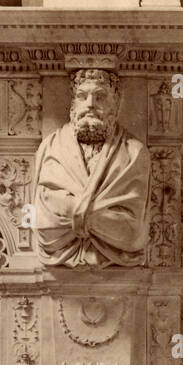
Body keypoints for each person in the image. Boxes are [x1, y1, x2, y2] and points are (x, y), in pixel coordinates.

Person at [32, 68, 150, 267]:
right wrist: (104, 217)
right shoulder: (50, 147)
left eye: (100, 97)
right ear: (73, 104)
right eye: (82, 96)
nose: (90, 105)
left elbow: (133, 233)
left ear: (115, 105)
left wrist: (69, 210)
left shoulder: (134, 153)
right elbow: (45, 225)